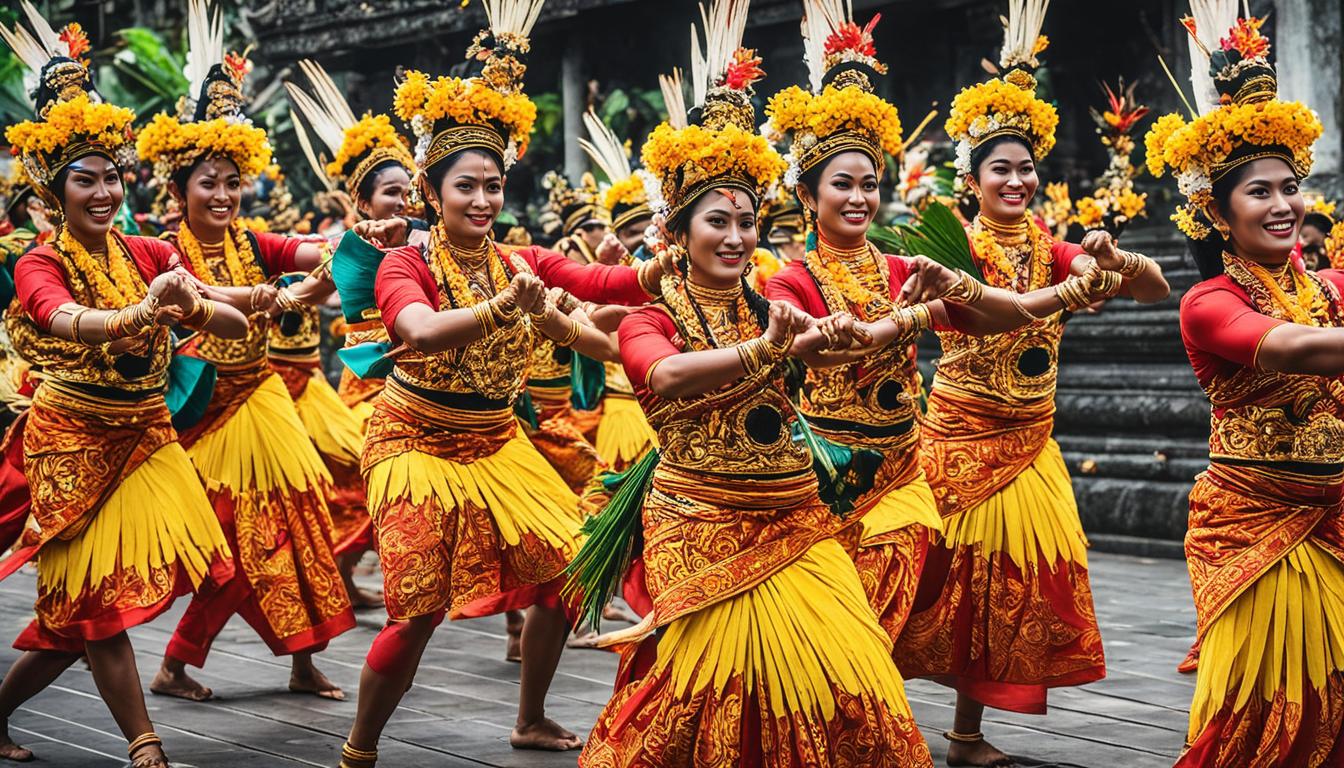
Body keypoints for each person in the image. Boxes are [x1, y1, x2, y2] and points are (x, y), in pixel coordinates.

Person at [578, 5, 932, 765]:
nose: (737, 236)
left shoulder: (769, 302)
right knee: (703, 703)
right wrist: (767, 349)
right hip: (699, 522)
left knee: (858, 680)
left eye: (747, 220)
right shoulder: (649, 313)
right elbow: (664, 377)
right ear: (676, 231)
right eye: (717, 221)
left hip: (796, 517)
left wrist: (856, 332)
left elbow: (823, 354)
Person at [332, 5, 671, 763]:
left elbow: (598, 280)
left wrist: (664, 264)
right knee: (415, 613)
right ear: (431, 188)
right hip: (412, 440)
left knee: (568, 576)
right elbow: (415, 332)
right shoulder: (406, 264)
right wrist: (498, 308)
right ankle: (359, 749)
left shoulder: (522, 260)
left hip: (494, 441)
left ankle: (529, 718)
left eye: (492, 185)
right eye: (466, 187)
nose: (483, 201)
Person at [763, 2, 1128, 670]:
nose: (858, 198)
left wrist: (969, 294)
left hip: (902, 469)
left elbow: (987, 313)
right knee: (841, 629)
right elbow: (802, 341)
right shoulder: (788, 278)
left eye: (869, 184)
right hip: (830, 473)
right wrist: (849, 327)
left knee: (888, 617)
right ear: (807, 194)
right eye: (841, 184)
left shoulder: (908, 260)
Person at [892, 2, 1169, 765]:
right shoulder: (945, 249)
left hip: (1030, 442)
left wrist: (1111, 258)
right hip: (959, 438)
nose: (1016, 180)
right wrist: (1072, 286)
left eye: (1025, 169)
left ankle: (966, 735)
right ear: (973, 179)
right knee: (927, 585)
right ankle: (855, 704)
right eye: (1000, 169)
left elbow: (1153, 292)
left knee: (1001, 587)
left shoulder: (1052, 247)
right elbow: (988, 317)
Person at [0, 14, 247, 765]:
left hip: (145, 443)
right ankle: (144, 743)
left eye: (111, 176)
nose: (104, 191)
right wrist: (142, 310)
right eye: (86, 178)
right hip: (71, 448)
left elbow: (223, 319)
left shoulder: (145, 247)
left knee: (118, 605)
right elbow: (61, 317)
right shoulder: (39, 261)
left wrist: (225, 302)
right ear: (52, 190)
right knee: (98, 613)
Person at [135, 0, 354, 703]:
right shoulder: (164, 252)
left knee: (303, 529)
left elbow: (309, 249)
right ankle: (174, 662)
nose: (225, 195)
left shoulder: (253, 240)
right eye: (210, 184)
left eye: (233, 182)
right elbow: (203, 300)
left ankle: (301, 660)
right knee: (234, 550)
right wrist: (279, 298)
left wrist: (357, 238)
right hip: (205, 416)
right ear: (178, 190)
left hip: (265, 406)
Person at [1146, 9, 1344, 766]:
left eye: (1290, 186)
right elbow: (1290, 348)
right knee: (1265, 719)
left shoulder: (1329, 286)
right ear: (1220, 216)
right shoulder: (1208, 303)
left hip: (1334, 516)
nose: (1283, 204)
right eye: (1258, 192)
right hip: (1258, 533)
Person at [283, 58, 423, 609]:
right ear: (362, 202)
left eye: (409, 190)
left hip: (421, 374)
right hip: (370, 384)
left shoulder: (421, 242)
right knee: (365, 489)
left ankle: (356, 576)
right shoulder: (348, 247)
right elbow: (309, 293)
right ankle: (334, 576)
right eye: (391, 193)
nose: (403, 201)